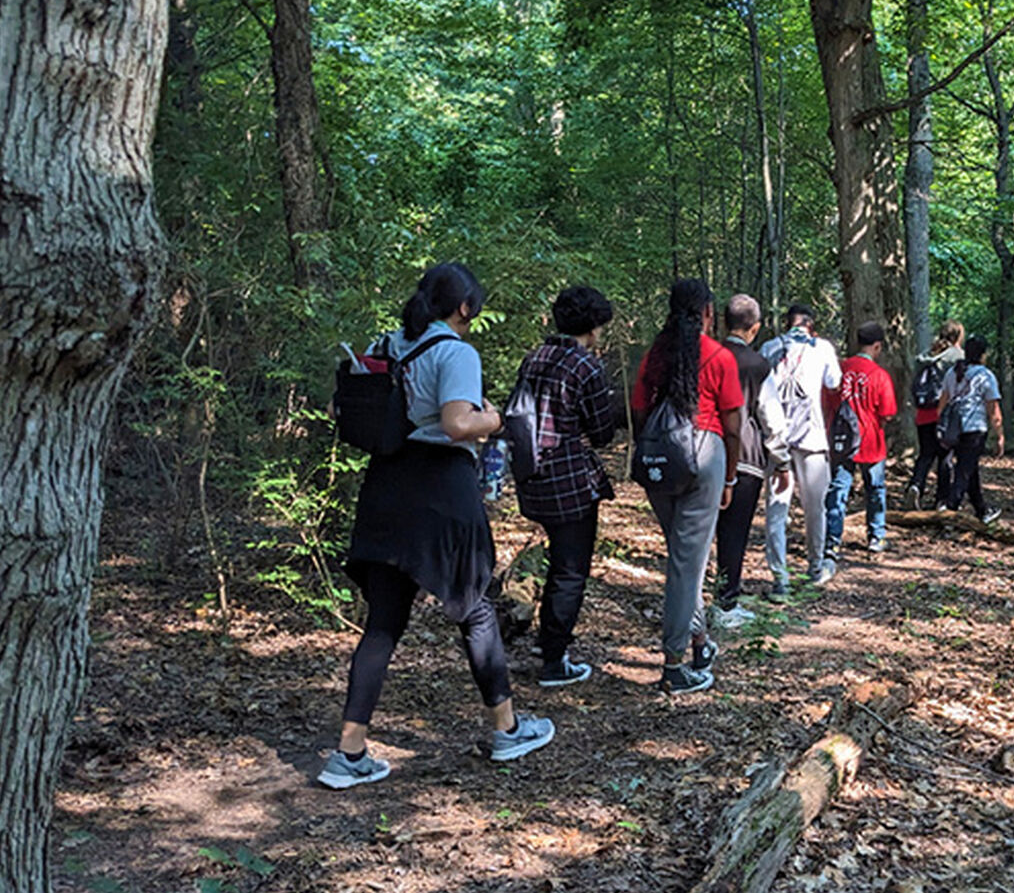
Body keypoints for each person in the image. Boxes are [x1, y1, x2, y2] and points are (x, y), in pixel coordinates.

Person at [318, 263, 554, 789]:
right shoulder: (457, 352)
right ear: (465, 307)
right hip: (441, 490)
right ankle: (507, 730)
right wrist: (495, 420)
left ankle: (349, 752)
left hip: (385, 486)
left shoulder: (387, 342)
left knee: (382, 623)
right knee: (474, 609)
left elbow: (341, 405)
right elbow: (456, 424)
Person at [631, 278, 743, 694]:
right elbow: (733, 426)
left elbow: (639, 411)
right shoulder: (717, 356)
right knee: (686, 562)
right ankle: (675, 664)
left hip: (661, 461)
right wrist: (730, 476)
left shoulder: (654, 356)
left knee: (683, 559)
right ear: (708, 314)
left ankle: (700, 643)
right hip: (704, 457)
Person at [514, 286, 617, 686]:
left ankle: (547, 643)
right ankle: (554, 659)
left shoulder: (534, 357)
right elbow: (603, 430)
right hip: (569, 480)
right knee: (571, 569)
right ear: (592, 327)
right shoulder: (585, 367)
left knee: (558, 562)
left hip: (530, 475)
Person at [711, 295, 792, 627]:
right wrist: (782, 461)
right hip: (744, 459)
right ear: (755, 328)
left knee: (701, 532)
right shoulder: (758, 365)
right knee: (734, 533)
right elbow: (771, 417)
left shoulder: (707, 356)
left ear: (721, 322)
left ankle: (690, 604)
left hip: (703, 453)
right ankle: (725, 604)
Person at [759, 303, 842, 586]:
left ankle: (780, 578)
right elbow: (834, 382)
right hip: (812, 438)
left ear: (787, 324)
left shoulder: (769, 348)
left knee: (776, 509)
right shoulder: (823, 348)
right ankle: (816, 567)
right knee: (814, 507)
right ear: (811, 324)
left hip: (777, 441)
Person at [825, 321, 898, 556]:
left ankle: (832, 541)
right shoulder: (879, 375)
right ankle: (876, 536)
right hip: (871, 441)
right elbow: (887, 413)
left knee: (838, 490)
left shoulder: (840, 369)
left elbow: (828, 401)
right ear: (877, 346)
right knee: (875, 489)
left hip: (841, 441)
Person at [938, 334, 1004, 524]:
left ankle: (982, 510)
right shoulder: (985, 376)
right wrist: (999, 435)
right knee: (963, 472)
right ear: (983, 354)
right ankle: (951, 513)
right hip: (975, 429)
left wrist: (940, 424)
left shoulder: (953, 372)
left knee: (969, 468)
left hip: (955, 429)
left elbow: (943, 401)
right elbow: (993, 409)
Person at [906, 321, 964, 511]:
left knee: (925, 454)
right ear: (958, 336)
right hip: (944, 413)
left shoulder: (928, 354)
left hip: (923, 412)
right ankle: (942, 500)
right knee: (945, 457)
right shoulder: (957, 356)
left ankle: (916, 485)